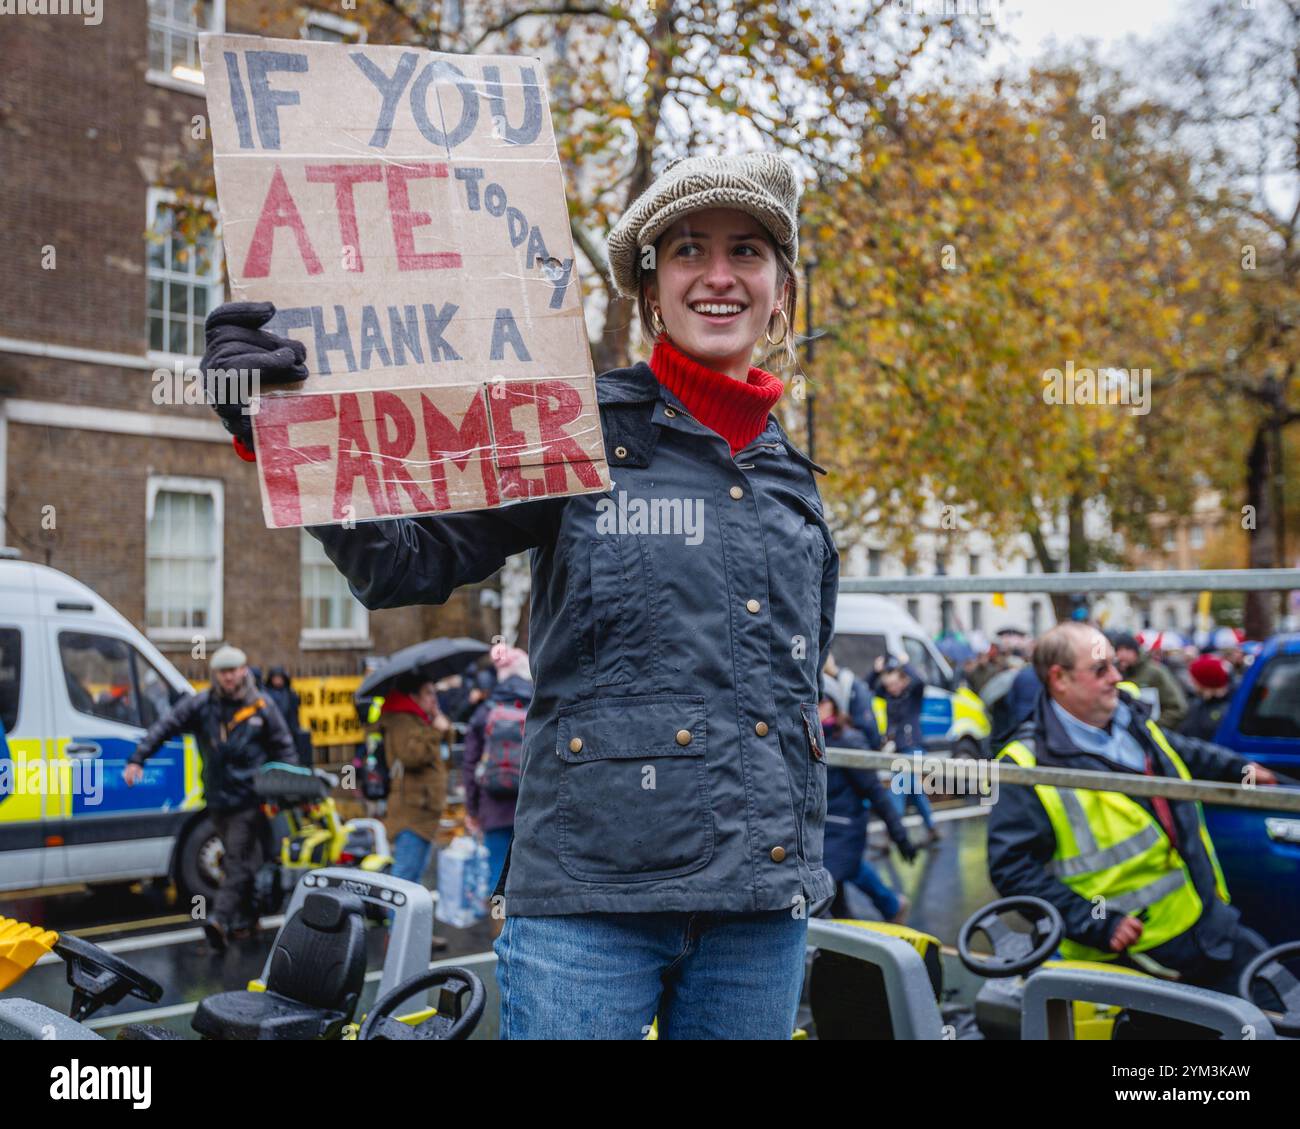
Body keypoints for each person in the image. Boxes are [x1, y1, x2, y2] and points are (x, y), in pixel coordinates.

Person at [200, 151, 837, 1040]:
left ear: (783, 292)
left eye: (749, 252)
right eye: (688, 250)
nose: (720, 275)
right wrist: (276, 426)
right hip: (588, 910)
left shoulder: (791, 480)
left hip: (762, 915)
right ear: (650, 292)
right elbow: (405, 563)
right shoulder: (575, 431)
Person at [988, 622, 1279, 997]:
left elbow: (1177, 750)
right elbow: (1011, 869)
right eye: (1100, 669)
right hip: (1131, 958)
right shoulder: (1026, 765)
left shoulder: (1126, 716)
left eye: (1114, 664)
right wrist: (1096, 923)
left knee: (1273, 999)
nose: (1116, 676)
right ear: (1059, 679)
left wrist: (1239, 770)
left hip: (1202, 919)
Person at [125, 645, 296, 950]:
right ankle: (248, 920)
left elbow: (284, 747)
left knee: (236, 857)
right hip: (218, 799)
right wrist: (138, 759)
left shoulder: (261, 706)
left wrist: (290, 785)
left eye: (233, 671)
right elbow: (166, 726)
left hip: (251, 798)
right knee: (248, 860)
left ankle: (219, 918)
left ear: (243, 670)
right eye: (222, 672)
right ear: (215, 674)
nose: (228, 678)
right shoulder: (202, 704)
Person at [819, 674, 916, 923]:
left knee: (839, 877)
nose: (817, 707)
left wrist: (899, 835)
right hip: (824, 828)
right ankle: (850, 935)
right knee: (837, 887)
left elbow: (875, 791)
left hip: (844, 827)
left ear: (835, 704)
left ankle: (891, 906)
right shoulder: (813, 739)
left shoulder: (848, 740)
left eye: (823, 700)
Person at [463, 642, 534, 939]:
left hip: (493, 806)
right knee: (530, 874)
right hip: (530, 806)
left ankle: (500, 940)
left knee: (497, 877)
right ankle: (528, 942)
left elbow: (469, 765)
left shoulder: (485, 712)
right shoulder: (535, 706)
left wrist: (472, 810)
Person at [369, 674, 452, 886]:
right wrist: (435, 731)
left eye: (435, 692)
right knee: (404, 880)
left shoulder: (421, 718)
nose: (434, 698)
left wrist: (441, 727)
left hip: (423, 809)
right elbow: (411, 756)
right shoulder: (401, 720)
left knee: (413, 879)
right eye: (428, 693)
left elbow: (444, 754)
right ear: (413, 695)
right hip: (411, 811)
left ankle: (404, 919)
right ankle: (396, 920)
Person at [868, 654, 940, 845]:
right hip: (897, 750)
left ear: (902, 680)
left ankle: (891, 834)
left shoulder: (913, 693)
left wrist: (905, 663)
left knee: (897, 788)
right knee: (914, 792)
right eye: (888, 685)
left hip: (913, 748)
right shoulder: (888, 696)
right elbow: (868, 687)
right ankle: (932, 829)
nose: (892, 688)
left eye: (895, 684)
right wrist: (876, 672)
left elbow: (919, 680)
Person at [1111, 631, 1189, 730]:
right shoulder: (1115, 674)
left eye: (1126, 650)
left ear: (1135, 651)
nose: (1121, 655)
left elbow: (1177, 708)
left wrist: (1153, 727)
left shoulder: (1155, 672)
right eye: (1118, 650)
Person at [264, 666, 313, 767]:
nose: (277, 680)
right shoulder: (267, 694)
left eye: (279, 678)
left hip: (289, 729)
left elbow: (294, 713)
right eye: (275, 678)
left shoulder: (290, 694)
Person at [1180, 654, 1234, 742]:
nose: (1191, 682)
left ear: (1205, 682)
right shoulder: (1197, 703)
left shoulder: (1228, 710)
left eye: (1194, 680)